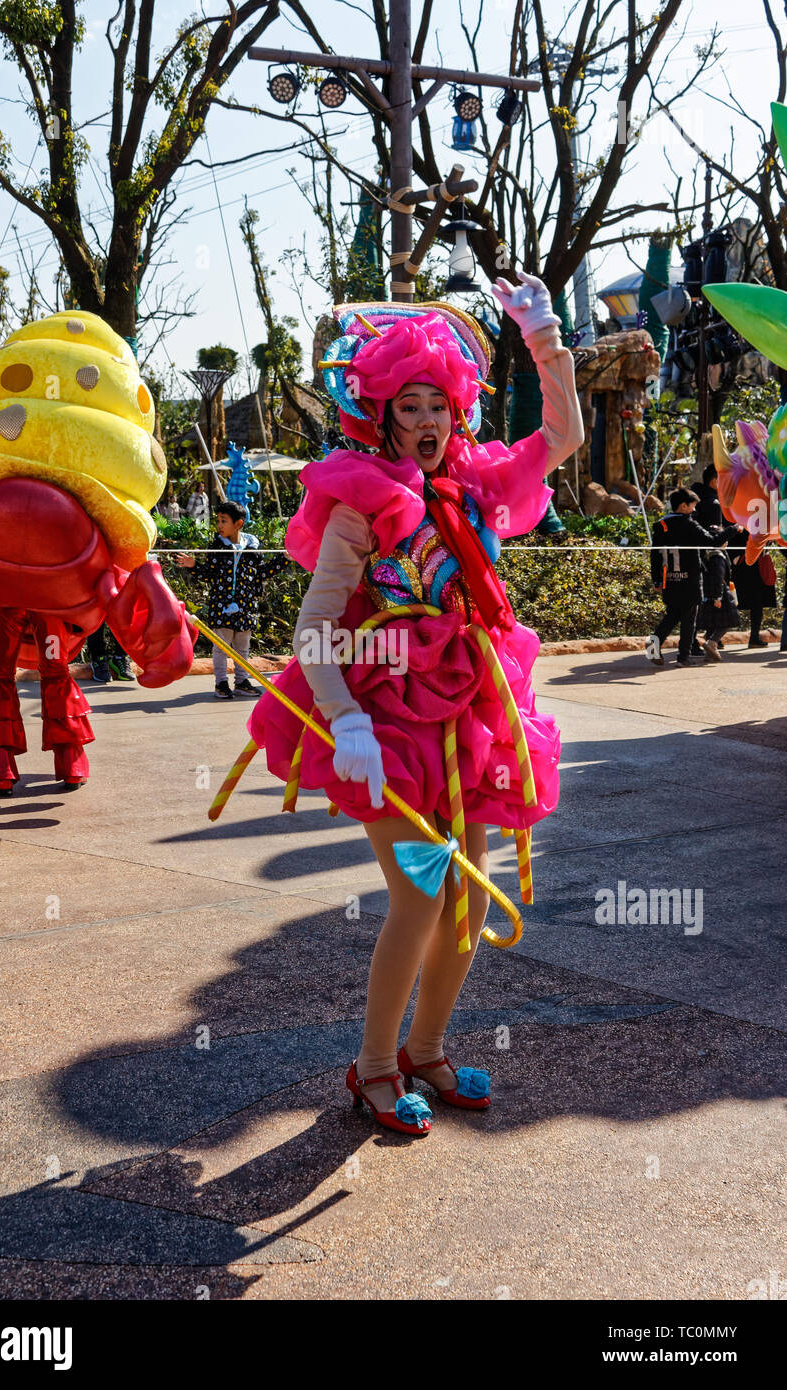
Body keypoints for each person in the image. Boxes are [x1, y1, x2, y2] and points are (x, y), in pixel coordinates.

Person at [235, 279, 583, 1136]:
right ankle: (376, 1068)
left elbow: (565, 436)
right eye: (408, 404)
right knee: (422, 893)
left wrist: (544, 342)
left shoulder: (477, 483)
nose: (426, 419)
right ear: (382, 415)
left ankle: (427, 1051)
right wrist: (345, 720)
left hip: (469, 711)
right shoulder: (362, 498)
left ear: (455, 409)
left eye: (438, 402)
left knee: (468, 898)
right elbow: (315, 626)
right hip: (383, 715)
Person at [176, 500, 288, 699]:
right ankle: (221, 683)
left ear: (239, 524)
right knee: (221, 646)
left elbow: (261, 573)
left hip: (246, 605)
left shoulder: (253, 545)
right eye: (218, 520)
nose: (219, 525)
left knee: (242, 646)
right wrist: (193, 566)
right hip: (222, 604)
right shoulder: (217, 546)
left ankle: (241, 682)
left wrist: (284, 559)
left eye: (223, 521)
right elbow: (209, 574)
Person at [646, 488, 718, 667]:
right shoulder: (690, 524)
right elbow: (711, 542)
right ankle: (683, 657)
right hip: (690, 579)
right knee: (689, 619)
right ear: (683, 506)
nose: (694, 510)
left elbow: (655, 555)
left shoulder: (661, 524)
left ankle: (654, 641)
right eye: (692, 506)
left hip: (670, 578)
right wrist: (733, 529)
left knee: (674, 613)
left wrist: (656, 579)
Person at [725, 525, 776, 647]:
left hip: (758, 564)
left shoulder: (765, 521)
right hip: (743, 564)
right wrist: (735, 558)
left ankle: (754, 637)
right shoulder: (741, 521)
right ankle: (714, 637)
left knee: (757, 603)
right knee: (731, 601)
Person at [697, 532, 739, 662]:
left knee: (712, 623)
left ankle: (709, 653)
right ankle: (713, 643)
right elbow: (719, 576)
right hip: (719, 592)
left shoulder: (706, 553)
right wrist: (718, 597)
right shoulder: (718, 556)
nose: (727, 542)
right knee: (728, 621)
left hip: (707, 592)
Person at [694, 462, 723, 531]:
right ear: (714, 482)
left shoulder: (693, 496)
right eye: (725, 480)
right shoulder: (713, 504)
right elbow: (715, 536)